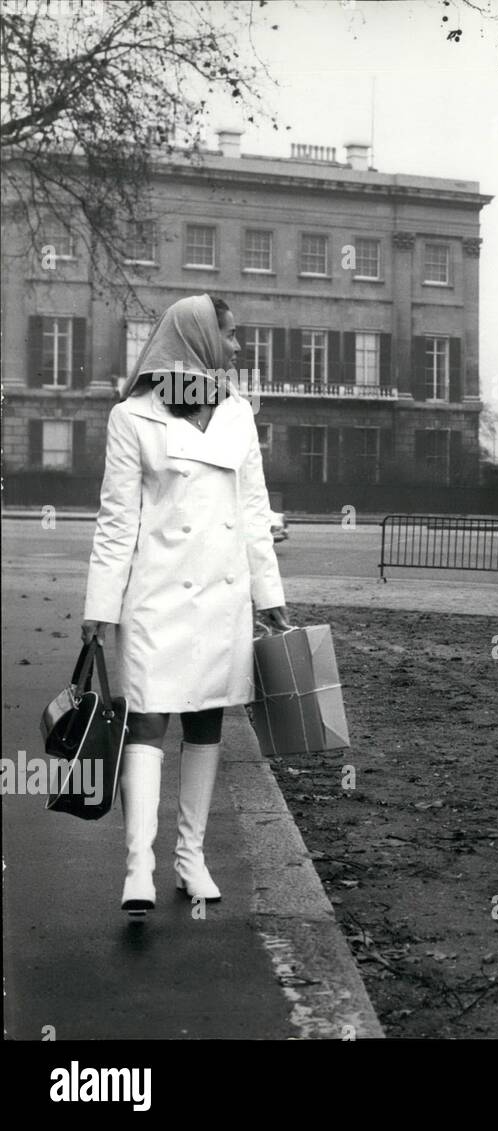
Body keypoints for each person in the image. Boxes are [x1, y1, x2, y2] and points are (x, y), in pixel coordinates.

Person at [81, 294, 292, 915]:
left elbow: (254, 514)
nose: (237, 347)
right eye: (229, 336)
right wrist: (101, 606)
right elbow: (117, 521)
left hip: (222, 598)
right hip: (155, 597)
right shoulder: (131, 417)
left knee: (206, 718)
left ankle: (190, 858)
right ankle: (138, 867)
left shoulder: (237, 414)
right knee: (147, 717)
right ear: (199, 338)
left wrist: (270, 596)